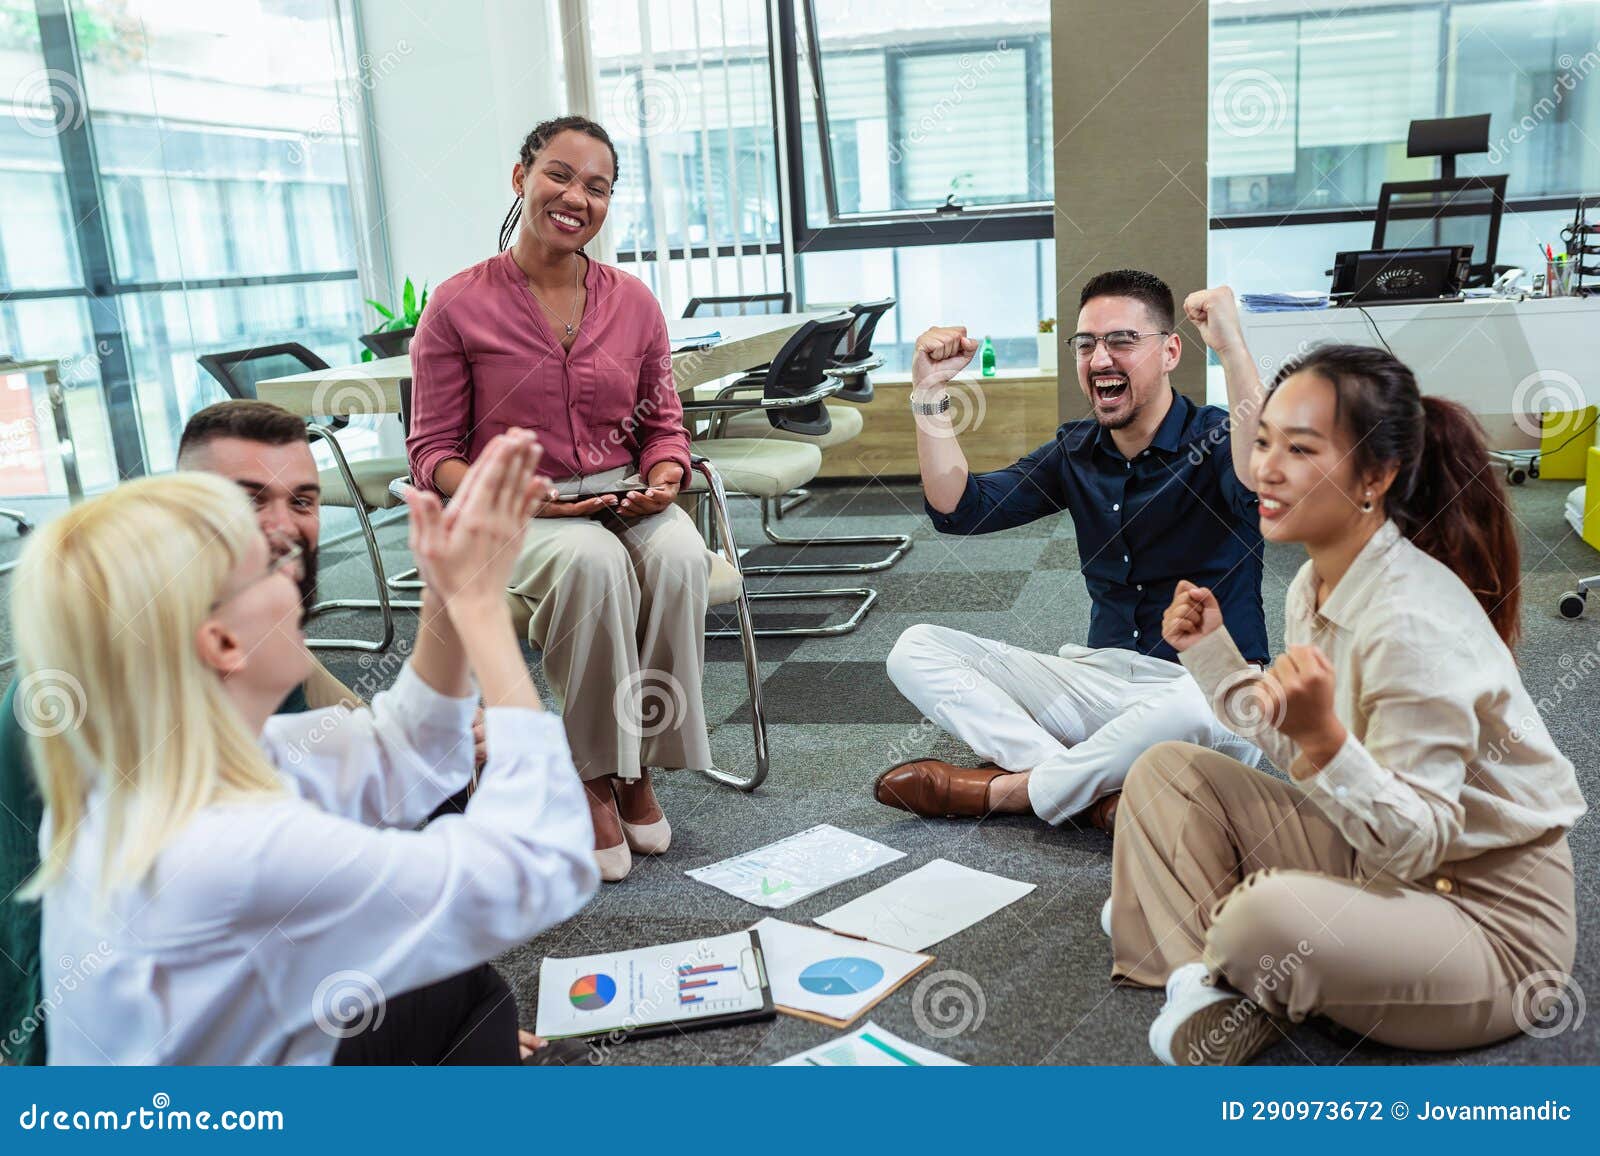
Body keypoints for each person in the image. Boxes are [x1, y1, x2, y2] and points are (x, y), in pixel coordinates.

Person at [21, 430, 599, 1064]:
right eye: (271, 566)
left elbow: (400, 752)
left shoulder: (150, 767)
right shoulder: (229, 851)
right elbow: (534, 867)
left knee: (460, 989)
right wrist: (484, 617)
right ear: (222, 644)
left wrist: (448, 594)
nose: (297, 571)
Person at [1112, 340, 1587, 1066]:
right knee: (1166, 772)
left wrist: (1328, 743)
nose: (1265, 467)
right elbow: (1300, 747)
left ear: (1376, 475)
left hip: (1488, 925)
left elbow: (1417, 840)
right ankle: (1199, 985)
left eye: (1300, 449)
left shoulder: (1411, 625)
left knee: (1262, 919)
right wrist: (1215, 656)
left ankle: (1210, 936)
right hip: (1378, 857)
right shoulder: (1316, 583)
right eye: (1264, 439)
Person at [0, 399, 365, 1066]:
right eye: (247, 500)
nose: (284, 528)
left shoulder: (238, 621)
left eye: (304, 501)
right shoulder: (84, 691)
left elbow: (343, 722)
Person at [407, 114, 711, 883]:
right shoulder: (456, 304)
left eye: (598, 187)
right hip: (513, 511)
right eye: (560, 175)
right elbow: (431, 452)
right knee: (590, 566)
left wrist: (666, 472)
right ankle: (591, 776)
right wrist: (522, 499)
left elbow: (663, 421)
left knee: (679, 554)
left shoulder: (633, 302)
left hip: (621, 492)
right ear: (522, 178)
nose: (578, 196)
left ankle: (638, 763)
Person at [875, 274, 1268, 832]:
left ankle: (1016, 791)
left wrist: (1230, 348)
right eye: (1086, 345)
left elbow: (1262, 484)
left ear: (1170, 351)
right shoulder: (1076, 450)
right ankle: (1084, 790)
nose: (1100, 358)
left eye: (1123, 341)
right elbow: (960, 509)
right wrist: (929, 394)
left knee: (1192, 706)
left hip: (1207, 696)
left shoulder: (1220, 439)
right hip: (1103, 685)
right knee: (914, 650)